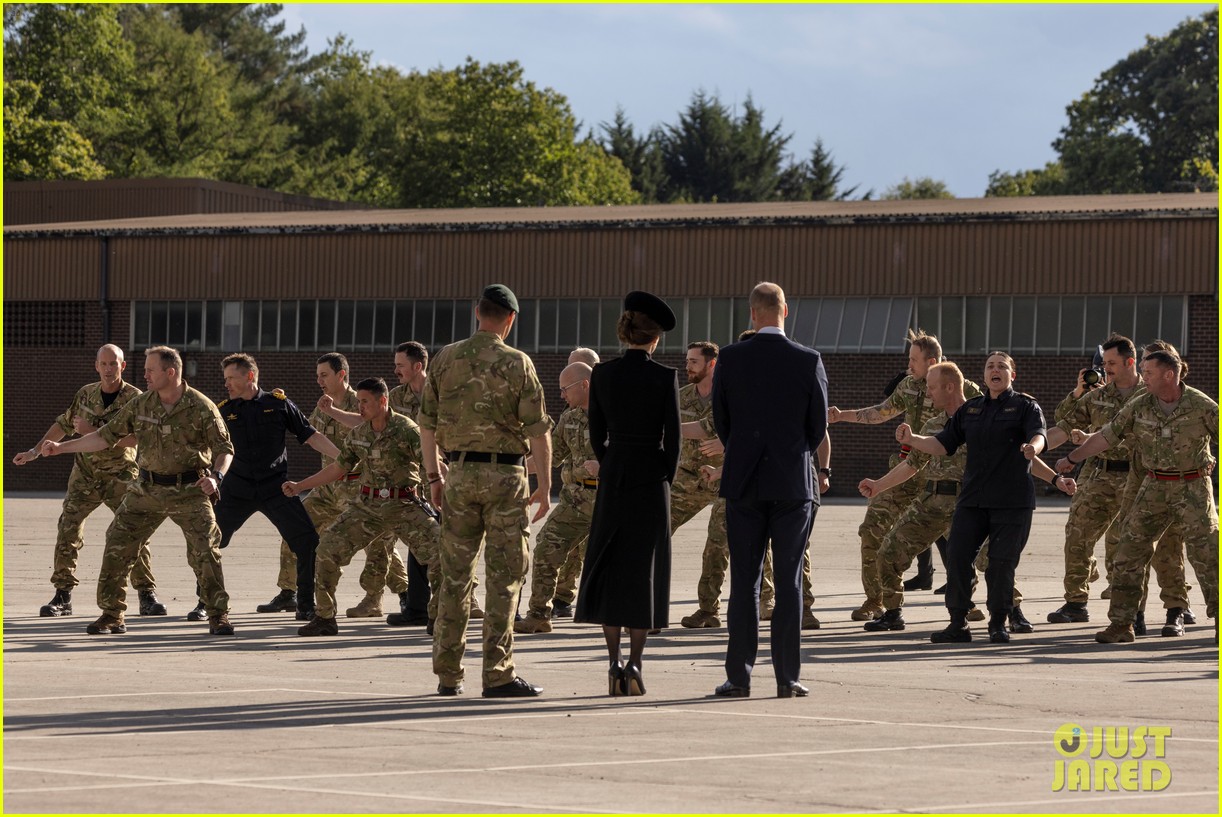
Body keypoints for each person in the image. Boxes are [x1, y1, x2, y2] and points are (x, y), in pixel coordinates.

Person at [860, 362, 1074, 632]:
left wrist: (1055, 478)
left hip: (972, 503)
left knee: (993, 560)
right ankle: (893, 612)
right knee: (890, 551)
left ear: (950, 387)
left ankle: (1012, 611)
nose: (928, 393)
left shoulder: (985, 414)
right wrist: (879, 485)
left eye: (932, 387)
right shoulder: (938, 422)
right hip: (933, 503)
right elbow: (914, 463)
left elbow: (1024, 459)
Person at [41, 346, 235, 636]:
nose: (144, 374)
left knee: (205, 550)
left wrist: (217, 477)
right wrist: (60, 447)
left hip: (189, 490)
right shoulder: (141, 404)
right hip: (147, 489)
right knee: (117, 541)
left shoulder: (201, 406)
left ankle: (217, 614)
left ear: (170, 372)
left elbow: (225, 449)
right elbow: (104, 437)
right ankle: (112, 614)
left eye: (150, 370)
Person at [419, 285, 553, 698]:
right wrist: (545, 487)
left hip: (457, 475)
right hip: (505, 478)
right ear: (510, 319)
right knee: (504, 578)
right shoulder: (518, 363)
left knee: (455, 579)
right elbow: (539, 434)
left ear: (478, 312)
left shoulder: (445, 357)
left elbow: (425, 423)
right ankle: (497, 673)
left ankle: (447, 674)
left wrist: (433, 478)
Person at [1057, 344, 1217, 644]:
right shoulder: (1141, 403)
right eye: (1142, 370)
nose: (1144, 376)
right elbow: (1107, 436)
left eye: (1149, 372)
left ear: (1170, 375)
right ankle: (1122, 624)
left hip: (1193, 487)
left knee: (1208, 553)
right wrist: (1074, 457)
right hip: (1153, 486)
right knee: (1128, 552)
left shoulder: (1202, 406)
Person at [712, 282, 827, 699]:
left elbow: (720, 420)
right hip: (792, 483)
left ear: (752, 313)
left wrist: (744, 450)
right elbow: (817, 427)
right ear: (785, 311)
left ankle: (739, 676)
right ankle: (787, 678)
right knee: (790, 580)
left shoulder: (730, 357)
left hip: (743, 480)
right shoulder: (808, 359)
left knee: (745, 580)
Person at [828, 331, 981, 621]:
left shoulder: (963, 387)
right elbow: (880, 412)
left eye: (913, 359)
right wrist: (840, 416)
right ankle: (877, 600)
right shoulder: (908, 386)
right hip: (907, 470)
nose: (908, 364)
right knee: (872, 527)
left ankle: (967, 601)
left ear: (931, 361)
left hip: (946, 475)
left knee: (963, 540)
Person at [898, 352, 1047, 645]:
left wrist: (1033, 447)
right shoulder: (972, 410)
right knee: (957, 555)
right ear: (984, 375)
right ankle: (958, 622)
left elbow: (1039, 434)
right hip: (974, 500)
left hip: (1011, 501)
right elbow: (943, 444)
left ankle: (998, 622)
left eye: (1002, 366)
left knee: (1000, 563)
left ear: (1011, 375)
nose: (996, 370)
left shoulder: (1025, 406)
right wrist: (913, 439)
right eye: (990, 366)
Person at [575, 291, 680, 697]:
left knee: (610, 565)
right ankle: (636, 661)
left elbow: (594, 435)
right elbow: (672, 440)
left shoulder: (602, 374)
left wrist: (612, 460)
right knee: (643, 571)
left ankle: (614, 660)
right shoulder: (663, 376)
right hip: (651, 480)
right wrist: (663, 477)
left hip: (615, 475)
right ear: (654, 338)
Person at [12, 344, 166, 618]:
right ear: (96, 366)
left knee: (133, 532)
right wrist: (35, 451)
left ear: (123, 366)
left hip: (121, 475)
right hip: (85, 475)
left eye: (113, 364)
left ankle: (146, 594)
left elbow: (141, 438)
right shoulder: (86, 394)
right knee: (68, 530)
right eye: (104, 364)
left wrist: (93, 430)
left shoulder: (136, 397)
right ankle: (63, 595)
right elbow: (63, 424)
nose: (109, 369)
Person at [184, 353, 339, 622]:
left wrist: (342, 457)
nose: (227, 384)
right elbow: (204, 446)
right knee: (209, 542)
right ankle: (206, 601)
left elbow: (310, 436)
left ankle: (304, 603)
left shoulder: (278, 405)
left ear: (250, 377)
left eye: (232, 378)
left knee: (307, 541)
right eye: (225, 379)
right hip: (235, 490)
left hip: (276, 488)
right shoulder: (224, 410)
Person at [283, 377, 440, 637]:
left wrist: (439, 485)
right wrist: (301, 486)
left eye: (364, 402)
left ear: (382, 401)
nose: (360, 408)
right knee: (327, 549)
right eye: (358, 402)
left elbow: (430, 461)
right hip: (368, 507)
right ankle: (324, 618)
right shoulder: (359, 433)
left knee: (440, 554)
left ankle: (439, 617)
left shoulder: (407, 430)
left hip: (404, 504)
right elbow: (338, 468)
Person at [256, 353, 361, 619]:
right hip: (327, 488)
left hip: (357, 489)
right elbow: (305, 428)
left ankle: (402, 592)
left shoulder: (360, 402)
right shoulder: (321, 405)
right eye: (317, 375)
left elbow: (368, 424)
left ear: (341, 375)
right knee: (294, 529)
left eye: (324, 375)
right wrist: (280, 402)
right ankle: (288, 592)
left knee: (378, 544)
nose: (319, 381)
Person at [515, 362, 598, 634]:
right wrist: (514, 467)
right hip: (575, 501)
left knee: (620, 560)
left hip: (610, 501)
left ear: (584, 385)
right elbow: (551, 457)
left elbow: (635, 454)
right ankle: (539, 614)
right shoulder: (569, 418)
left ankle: (635, 617)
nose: (562, 395)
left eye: (565, 389)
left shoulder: (616, 414)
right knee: (546, 546)